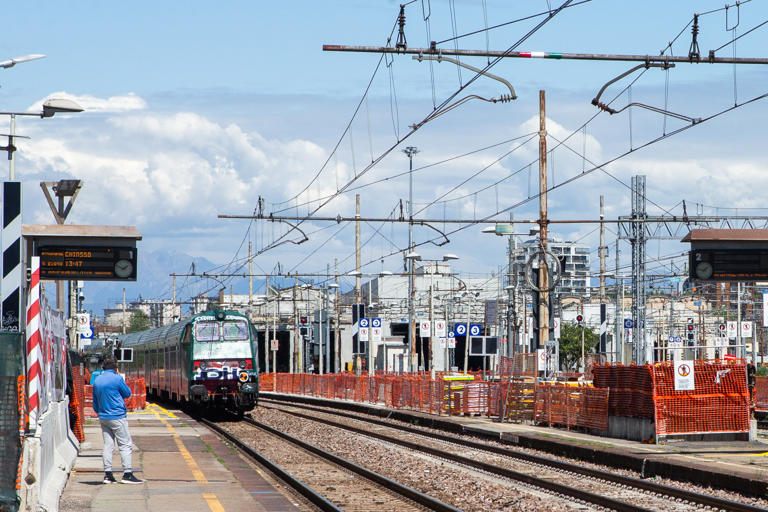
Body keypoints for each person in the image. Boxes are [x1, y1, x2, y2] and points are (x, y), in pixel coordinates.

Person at [92, 358, 142, 484]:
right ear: (116, 368)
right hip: (117, 416)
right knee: (125, 444)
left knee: (108, 445)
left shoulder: (97, 380)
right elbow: (127, 393)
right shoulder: (117, 378)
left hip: (103, 417)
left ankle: (108, 475)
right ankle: (127, 474)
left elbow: (95, 401)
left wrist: (100, 412)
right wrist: (119, 376)